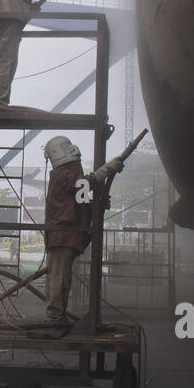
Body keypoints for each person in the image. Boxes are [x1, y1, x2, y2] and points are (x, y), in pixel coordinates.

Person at [41, 135, 123, 325]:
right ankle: (53, 317)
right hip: (62, 236)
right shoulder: (62, 175)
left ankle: (57, 316)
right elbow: (82, 186)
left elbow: (81, 204)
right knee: (59, 279)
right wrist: (106, 169)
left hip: (67, 237)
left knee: (63, 280)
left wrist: (98, 205)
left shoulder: (68, 176)